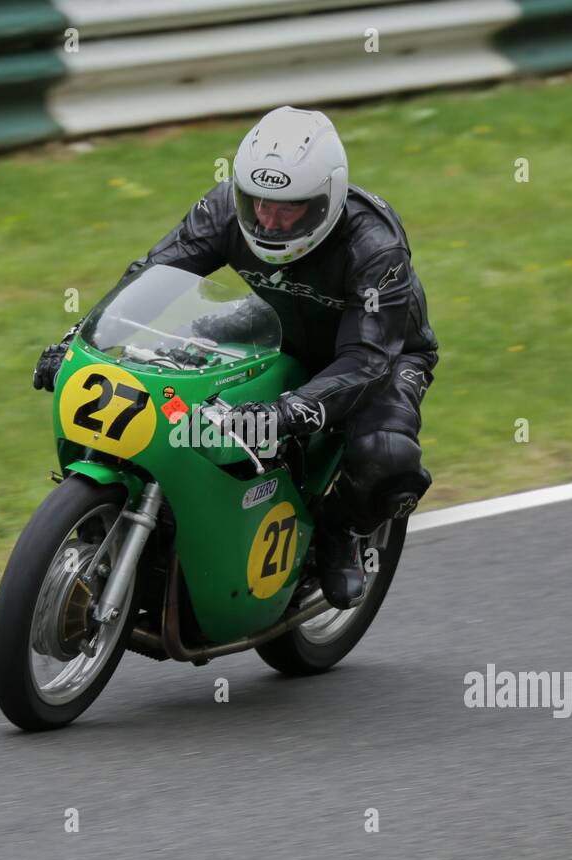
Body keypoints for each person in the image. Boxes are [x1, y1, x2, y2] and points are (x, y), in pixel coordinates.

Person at [34, 105, 438, 609]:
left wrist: (281, 413)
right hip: (272, 323)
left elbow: (367, 362)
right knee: (163, 361)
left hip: (382, 352)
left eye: (287, 208)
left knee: (387, 455)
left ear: (324, 202)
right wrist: (81, 344)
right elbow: (153, 274)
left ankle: (341, 533)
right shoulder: (224, 208)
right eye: (257, 203)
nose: (267, 219)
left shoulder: (375, 247)